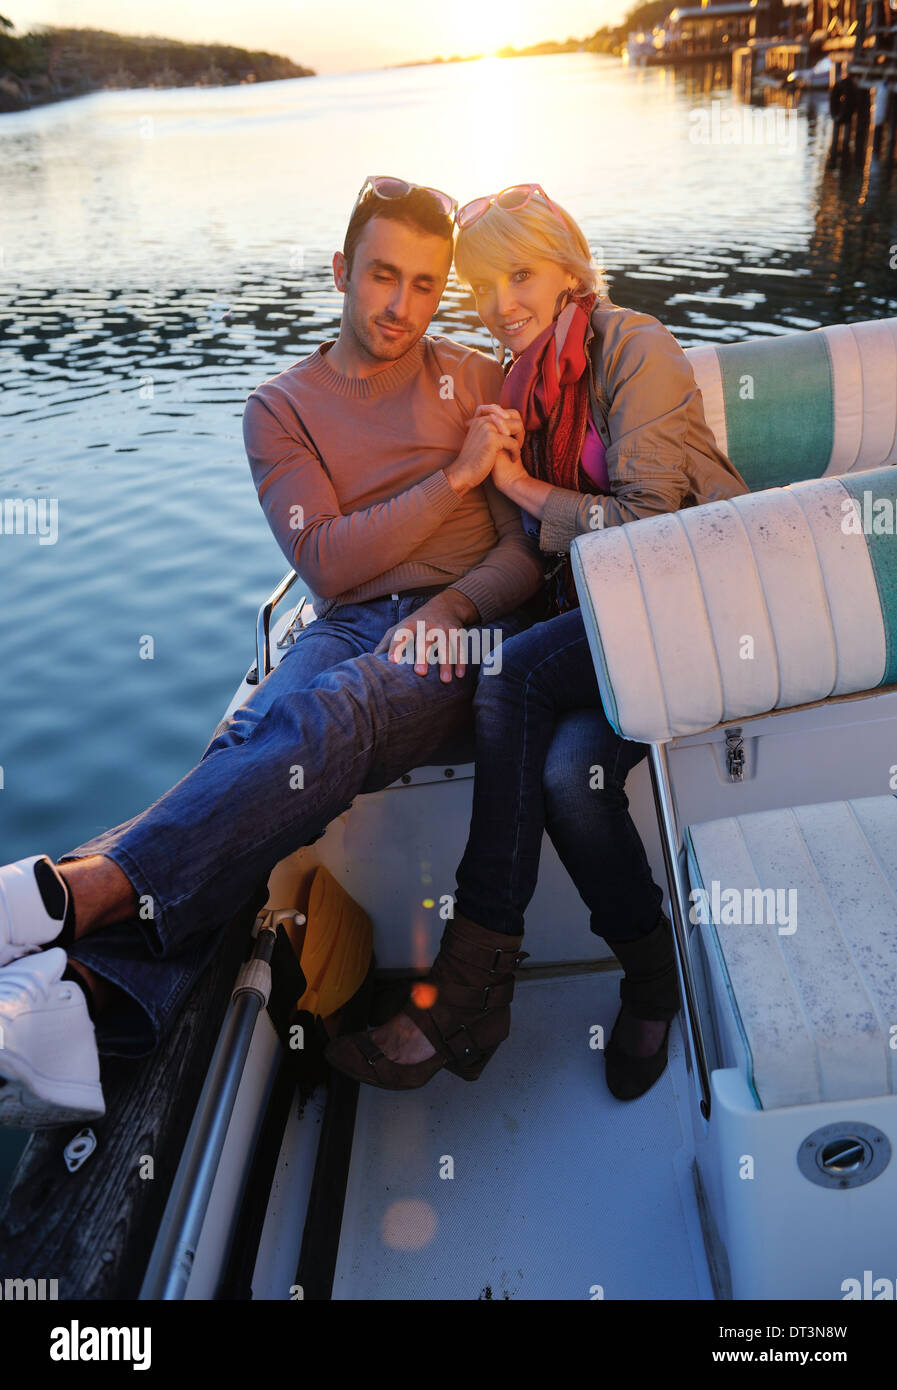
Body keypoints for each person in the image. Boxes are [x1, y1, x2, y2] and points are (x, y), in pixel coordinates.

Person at [0, 176, 545, 1128]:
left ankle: (75, 894)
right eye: (382, 276)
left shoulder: (474, 378)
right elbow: (329, 564)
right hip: (348, 617)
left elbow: (522, 548)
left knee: (325, 717)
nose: (401, 306)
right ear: (340, 271)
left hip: (466, 628)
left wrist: (452, 605)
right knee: (260, 739)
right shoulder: (279, 409)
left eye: (425, 284)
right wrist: (452, 476)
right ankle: (87, 1004)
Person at [326, 184, 750, 1101]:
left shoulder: (634, 346)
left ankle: (469, 987)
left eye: (519, 274)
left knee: (509, 679)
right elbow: (526, 549)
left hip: (696, 603)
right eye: (480, 286)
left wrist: (513, 485)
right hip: (604, 619)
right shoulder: (520, 379)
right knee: (568, 778)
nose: (500, 304)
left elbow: (647, 523)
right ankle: (649, 977)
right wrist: (451, 606)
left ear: (568, 267)